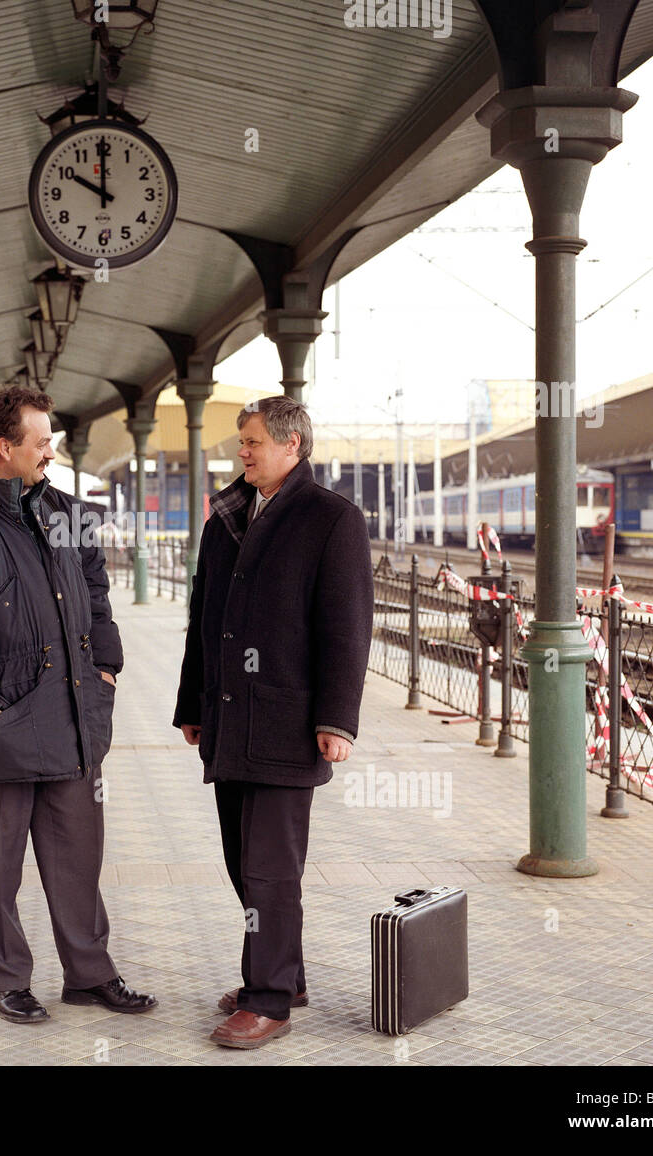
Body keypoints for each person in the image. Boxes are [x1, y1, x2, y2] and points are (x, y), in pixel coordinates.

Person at [0, 385, 156, 1025]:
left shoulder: (69, 513)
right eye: (41, 441)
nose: (52, 451)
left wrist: (106, 671)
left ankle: (90, 976)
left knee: (78, 863)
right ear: (3, 446)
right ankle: (6, 980)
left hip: (73, 724)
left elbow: (96, 597)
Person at [173, 395, 373, 1051]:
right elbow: (204, 620)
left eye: (254, 441)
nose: (243, 451)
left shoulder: (332, 519)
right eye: (242, 441)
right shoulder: (228, 518)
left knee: (269, 869)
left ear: (292, 446)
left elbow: (346, 628)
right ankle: (287, 975)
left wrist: (338, 720)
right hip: (231, 720)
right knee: (241, 860)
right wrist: (191, 706)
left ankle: (268, 1000)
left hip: (287, 724)